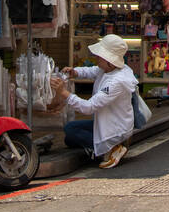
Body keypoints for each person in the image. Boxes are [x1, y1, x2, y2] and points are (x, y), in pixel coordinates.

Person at [52, 34, 138, 168]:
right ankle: (104, 147)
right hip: (106, 121)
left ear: (109, 59)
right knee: (69, 132)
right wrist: (75, 72)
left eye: (99, 55)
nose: (96, 57)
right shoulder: (109, 69)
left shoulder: (116, 82)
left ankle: (111, 148)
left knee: (73, 133)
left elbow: (88, 107)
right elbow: (92, 71)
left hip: (115, 129)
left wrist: (64, 93)